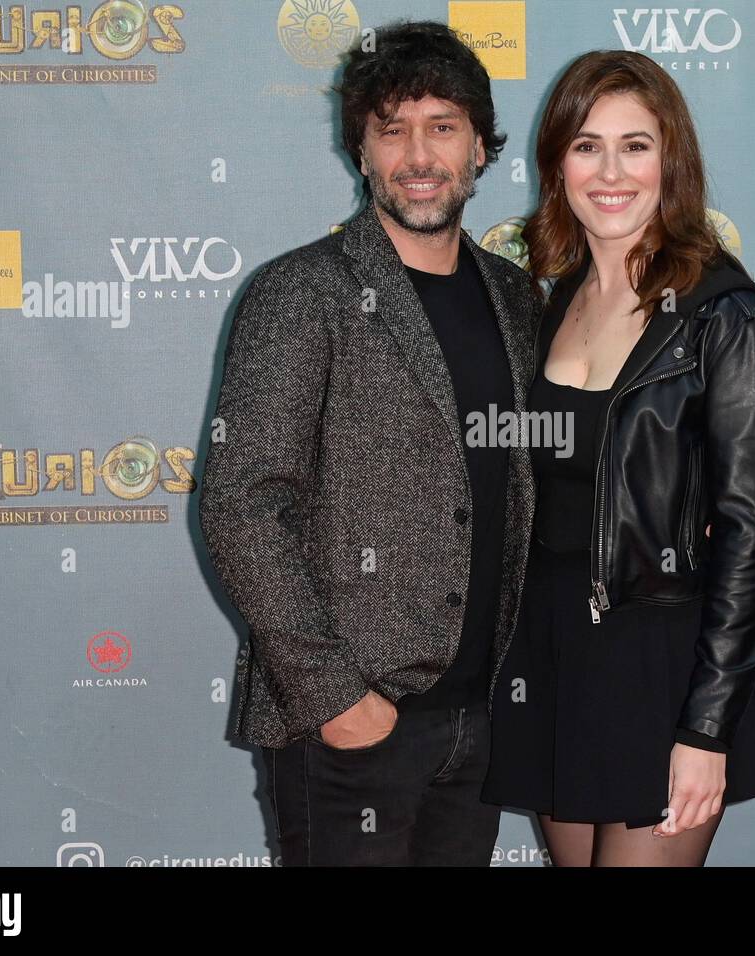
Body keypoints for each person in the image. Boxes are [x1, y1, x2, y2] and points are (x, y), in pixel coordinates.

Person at [198, 20, 539, 866]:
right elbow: (240, 503)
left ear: (482, 151)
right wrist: (334, 695)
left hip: (483, 719)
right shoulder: (300, 292)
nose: (418, 155)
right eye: (392, 130)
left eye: (443, 127)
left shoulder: (519, 298)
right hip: (351, 730)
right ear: (362, 153)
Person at [481, 50, 755, 866]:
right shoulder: (550, 299)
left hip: (660, 662)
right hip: (552, 652)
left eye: (637, 145)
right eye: (587, 145)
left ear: (673, 162)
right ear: (556, 163)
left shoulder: (727, 316)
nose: (611, 171)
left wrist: (705, 726)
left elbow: (749, 538)